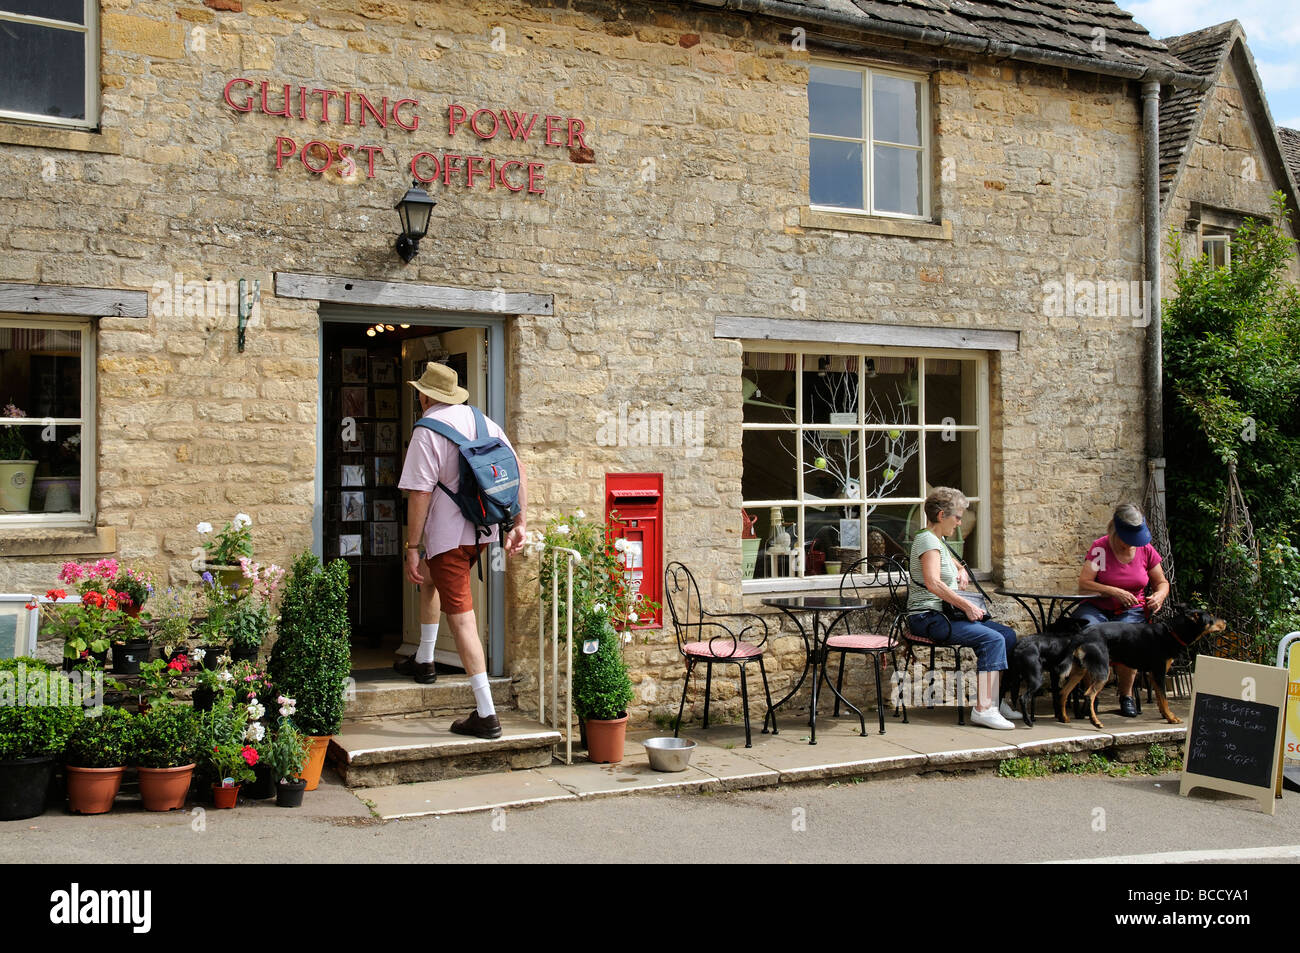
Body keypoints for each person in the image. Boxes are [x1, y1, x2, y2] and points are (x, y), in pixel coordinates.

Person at [397, 362, 527, 739]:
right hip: (481, 531)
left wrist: (412, 546)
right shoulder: (484, 422)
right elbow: (517, 471)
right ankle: (424, 659)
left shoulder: (426, 430)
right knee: (430, 582)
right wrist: (520, 523)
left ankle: (486, 714)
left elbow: (419, 493)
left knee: (463, 619)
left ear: (424, 396)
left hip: (448, 538)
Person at [906, 487, 1019, 730]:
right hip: (927, 616)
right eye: (957, 517)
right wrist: (967, 606)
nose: (959, 522)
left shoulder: (938, 540)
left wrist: (960, 568)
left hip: (943, 614)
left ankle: (995, 701)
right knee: (992, 640)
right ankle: (983, 710)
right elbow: (933, 582)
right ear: (940, 516)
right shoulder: (926, 539)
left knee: (1008, 635)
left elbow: (948, 561)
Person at [1073, 503, 1169, 717]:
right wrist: (1113, 591)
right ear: (1116, 531)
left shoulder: (1146, 550)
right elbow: (1085, 584)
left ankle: (1126, 696)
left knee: (1131, 636)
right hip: (1098, 608)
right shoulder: (1101, 548)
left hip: (1132, 611)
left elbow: (1162, 582)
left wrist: (1159, 596)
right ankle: (1091, 695)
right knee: (1091, 631)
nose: (1131, 544)